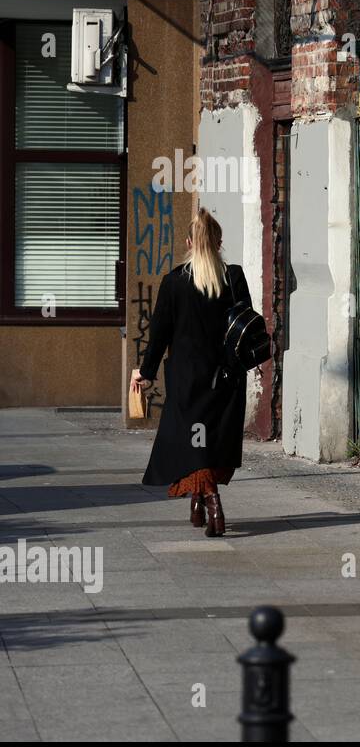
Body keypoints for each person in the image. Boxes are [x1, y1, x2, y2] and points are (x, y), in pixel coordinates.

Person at [130, 208, 250, 537]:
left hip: (186, 378)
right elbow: (247, 327)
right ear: (219, 242)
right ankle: (198, 500)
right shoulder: (234, 278)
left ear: (187, 242)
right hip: (225, 378)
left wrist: (145, 370)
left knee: (192, 439)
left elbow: (159, 335)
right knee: (211, 440)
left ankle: (211, 500)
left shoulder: (173, 282)